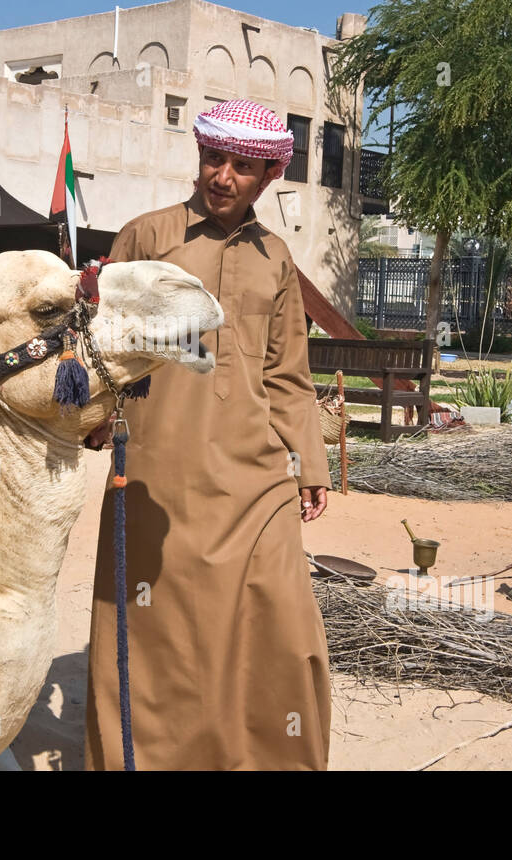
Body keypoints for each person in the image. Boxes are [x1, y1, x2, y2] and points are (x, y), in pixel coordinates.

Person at [84, 100, 332, 770]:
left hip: (256, 474)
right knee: (166, 633)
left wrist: (309, 462)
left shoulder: (276, 257)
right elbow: (102, 349)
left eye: (242, 166)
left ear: (268, 174)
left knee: (281, 624)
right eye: (214, 160)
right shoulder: (145, 237)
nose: (222, 177)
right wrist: (95, 420)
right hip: (160, 472)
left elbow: (287, 371)